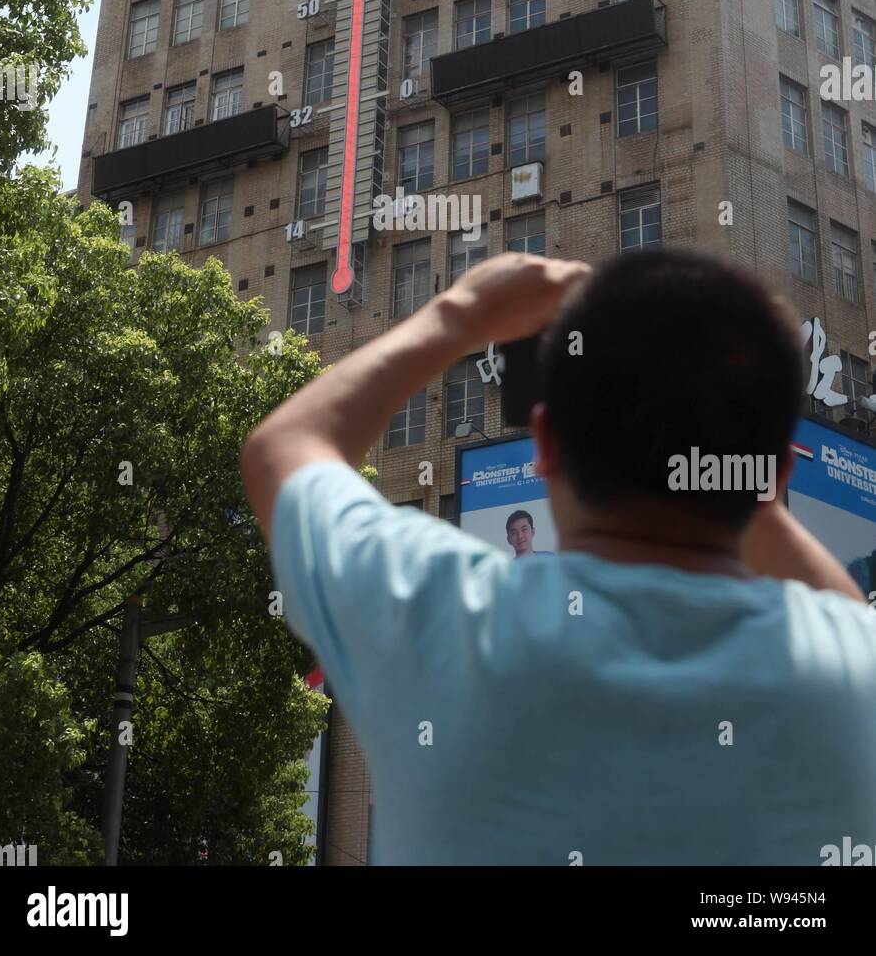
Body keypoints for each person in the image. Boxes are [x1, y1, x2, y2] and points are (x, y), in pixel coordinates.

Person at [241, 248, 876, 866]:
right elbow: (845, 619)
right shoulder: (855, 666)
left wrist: (462, 312)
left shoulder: (440, 616)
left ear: (544, 443)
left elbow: (284, 449)